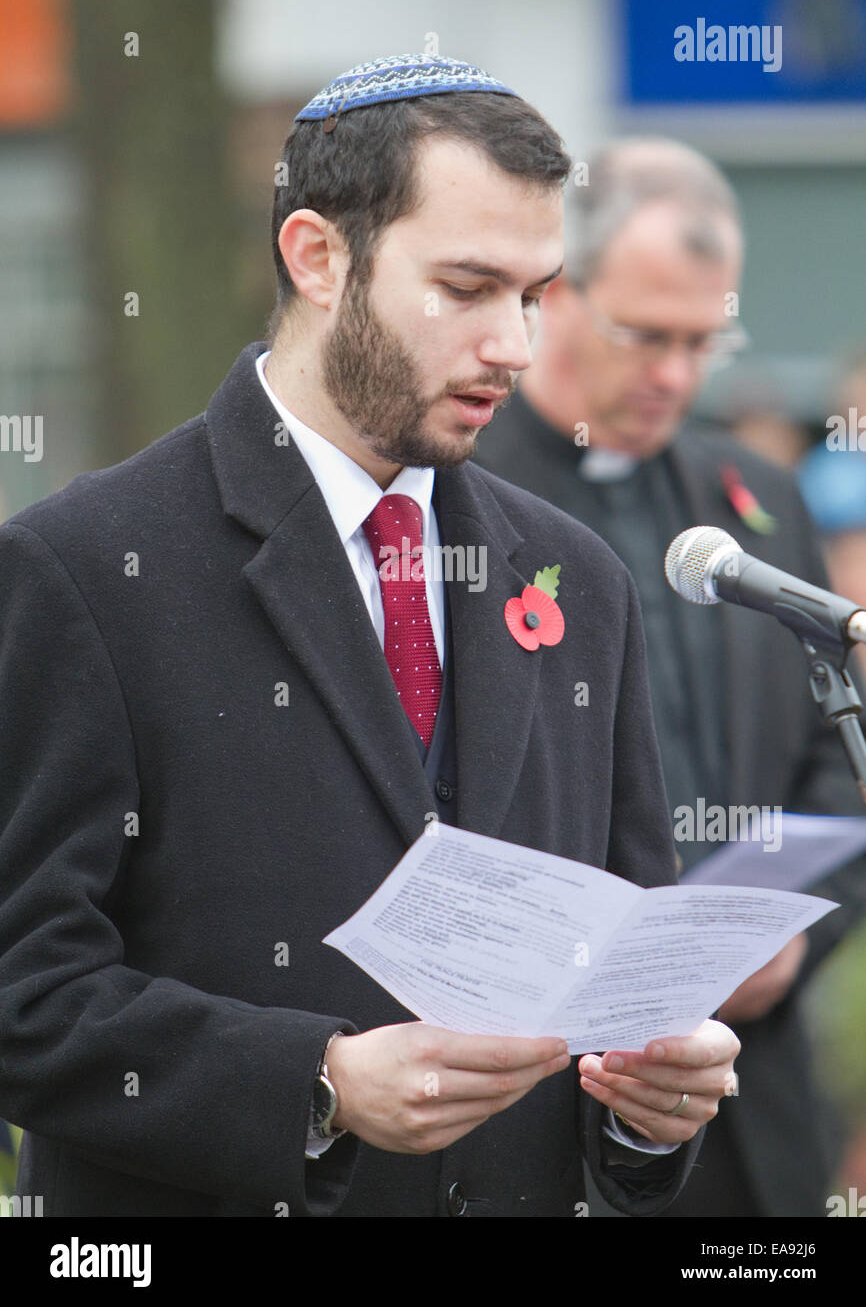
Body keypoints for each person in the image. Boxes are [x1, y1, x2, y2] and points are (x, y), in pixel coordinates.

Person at [0, 61, 738, 1218]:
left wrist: (650, 1107)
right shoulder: (85, 567)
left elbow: (622, 982)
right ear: (315, 256)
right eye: (468, 286)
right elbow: (22, 991)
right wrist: (317, 1084)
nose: (513, 344)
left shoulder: (580, 582)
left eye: (536, 294)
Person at [474, 136, 866, 1218]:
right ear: (553, 294)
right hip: (554, 1096)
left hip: (757, 1101)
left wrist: (790, 930)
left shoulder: (751, 496)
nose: (672, 376)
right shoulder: (459, 499)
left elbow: (828, 760)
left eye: (703, 340)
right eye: (643, 333)